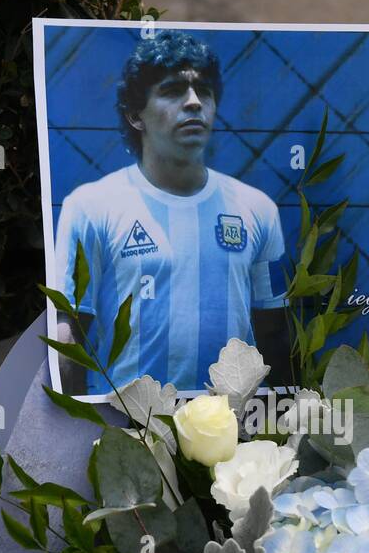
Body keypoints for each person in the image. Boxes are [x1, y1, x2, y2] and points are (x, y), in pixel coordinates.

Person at [53, 30, 290, 394]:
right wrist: (76, 428)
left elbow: (273, 328)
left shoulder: (257, 208)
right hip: (126, 431)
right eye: (173, 90)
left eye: (204, 91)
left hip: (232, 433)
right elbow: (68, 334)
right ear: (136, 115)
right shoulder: (90, 207)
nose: (194, 102)